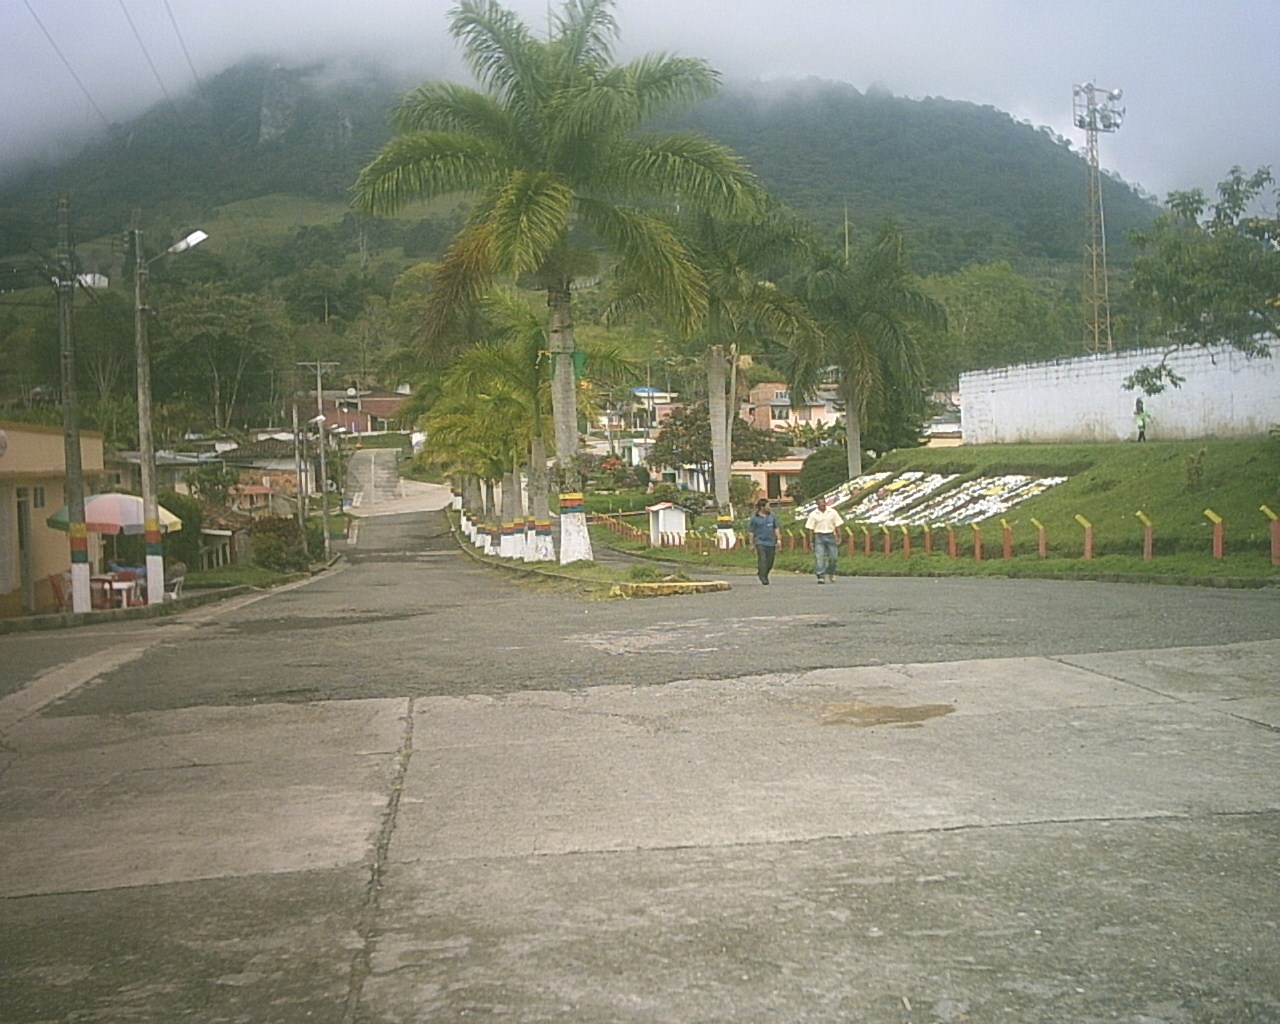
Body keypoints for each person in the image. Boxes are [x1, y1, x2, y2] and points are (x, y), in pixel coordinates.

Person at [804, 495, 845, 583]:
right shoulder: (813, 515)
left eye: (823, 502)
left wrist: (839, 536)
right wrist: (811, 541)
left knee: (833, 557)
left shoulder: (832, 512)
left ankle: (831, 571)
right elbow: (811, 529)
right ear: (817, 504)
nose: (822, 504)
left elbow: (837, 525)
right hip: (819, 536)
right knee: (819, 557)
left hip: (831, 535)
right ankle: (821, 576)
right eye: (820, 503)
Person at [747, 497, 781, 585]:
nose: (769, 507)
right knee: (763, 559)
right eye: (768, 505)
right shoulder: (755, 518)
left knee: (770, 561)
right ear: (762, 507)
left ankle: (763, 572)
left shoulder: (772, 517)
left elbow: (776, 528)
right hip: (760, 542)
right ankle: (763, 577)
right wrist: (751, 544)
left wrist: (778, 540)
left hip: (771, 542)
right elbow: (751, 532)